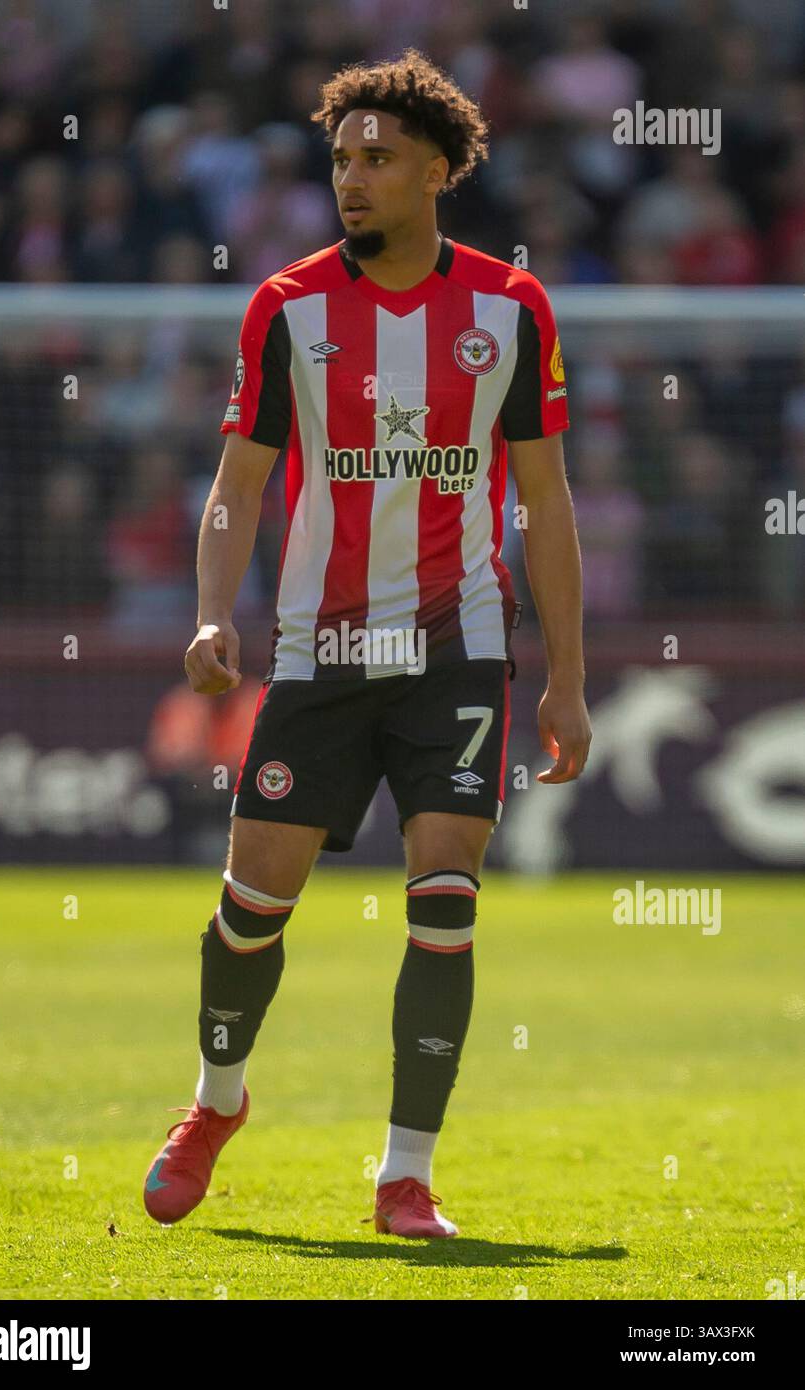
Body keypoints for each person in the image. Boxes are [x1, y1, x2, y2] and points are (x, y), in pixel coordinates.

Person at [143, 48, 591, 1239]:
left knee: (443, 897)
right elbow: (237, 483)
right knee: (252, 907)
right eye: (341, 159)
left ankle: (404, 1174)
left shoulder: (510, 308)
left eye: (378, 159)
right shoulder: (286, 309)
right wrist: (208, 608)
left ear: (438, 171)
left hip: (461, 650)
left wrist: (568, 684)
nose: (352, 178)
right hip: (317, 655)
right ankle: (215, 1103)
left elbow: (545, 505)